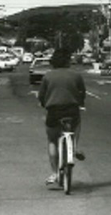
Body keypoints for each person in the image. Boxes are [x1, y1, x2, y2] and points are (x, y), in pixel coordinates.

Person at [37, 48, 87, 186]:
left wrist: (43, 104)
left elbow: (42, 95)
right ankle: (75, 147)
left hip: (54, 110)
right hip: (71, 109)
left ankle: (55, 172)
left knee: (52, 140)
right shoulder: (76, 75)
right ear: (68, 61)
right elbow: (82, 92)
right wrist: (81, 103)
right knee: (76, 124)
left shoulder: (48, 76)